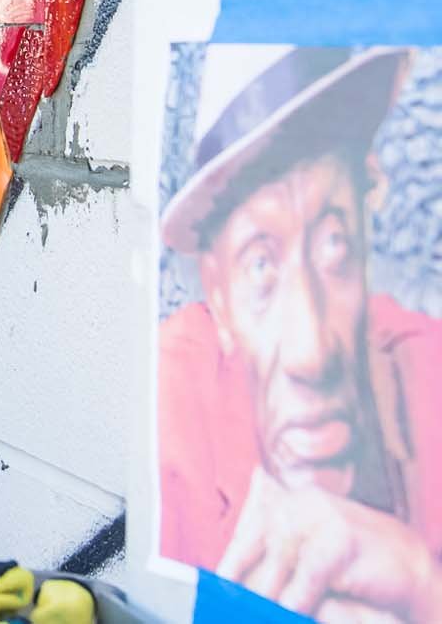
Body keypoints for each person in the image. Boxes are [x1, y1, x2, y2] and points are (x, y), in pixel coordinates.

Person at [158, 46, 442, 621]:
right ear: (217, 294)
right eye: (260, 265)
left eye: (335, 244)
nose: (311, 353)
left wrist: (425, 587)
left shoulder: (429, 365)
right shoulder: (174, 396)